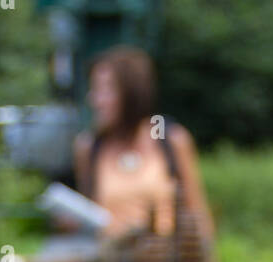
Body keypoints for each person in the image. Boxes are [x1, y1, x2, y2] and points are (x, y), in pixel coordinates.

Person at [73, 46, 214, 245]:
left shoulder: (170, 139)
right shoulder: (89, 147)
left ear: (131, 92)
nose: (94, 100)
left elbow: (197, 213)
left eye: (103, 91)